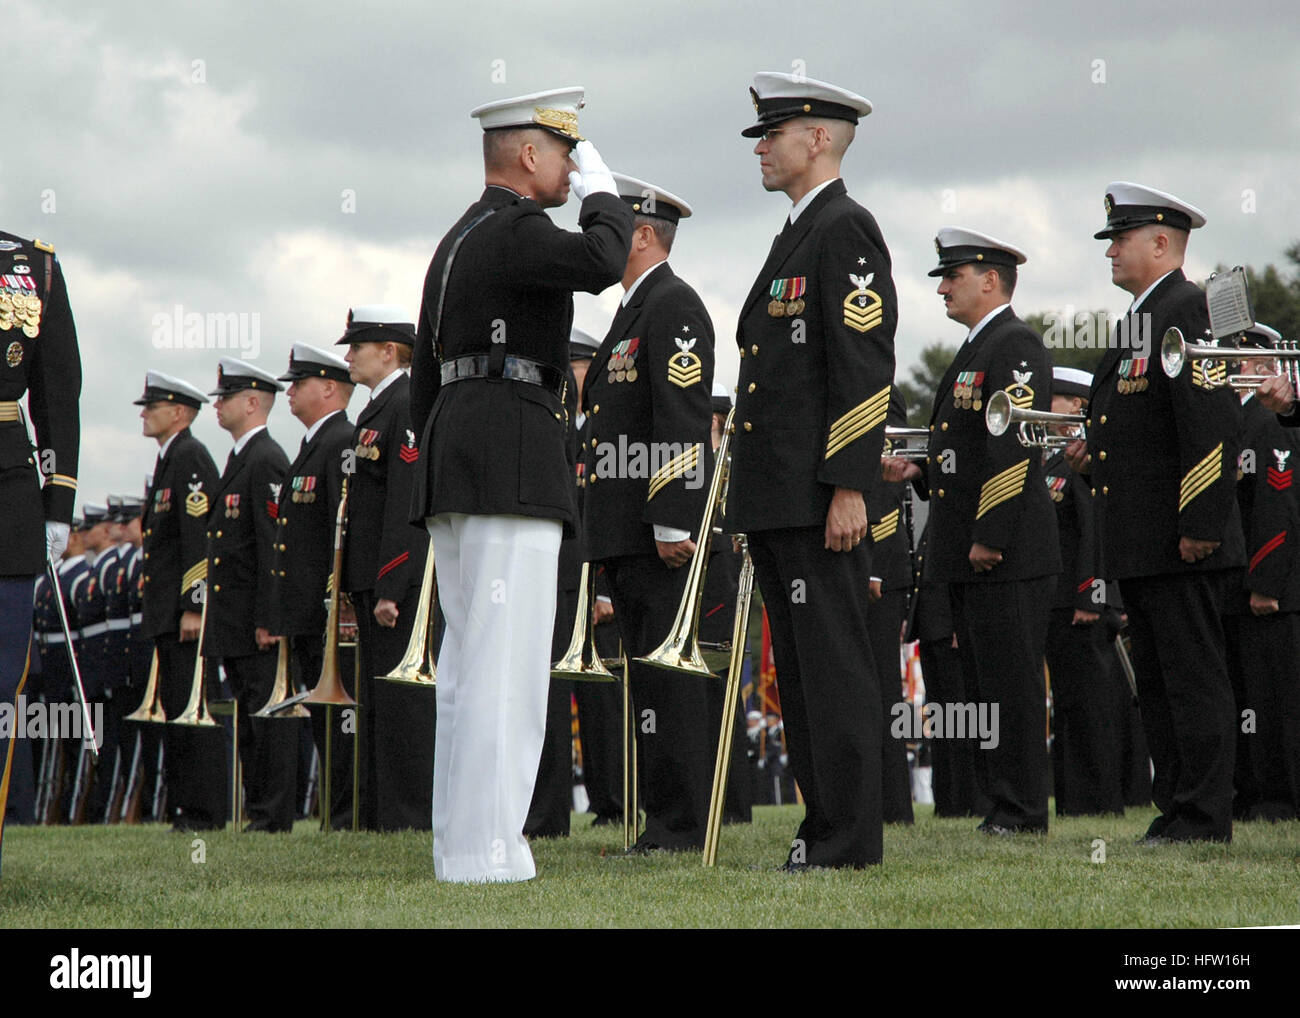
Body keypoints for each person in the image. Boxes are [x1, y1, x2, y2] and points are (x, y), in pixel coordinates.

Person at [409, 86, 632, 882]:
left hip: (461, 455)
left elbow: (423, 379)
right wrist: (608, 193)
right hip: (510, 455)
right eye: (566, 153)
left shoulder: (458, 236)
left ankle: (462, 846)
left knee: (471, 666)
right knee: (503, 667)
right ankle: (488, 853)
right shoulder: (516, 228)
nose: (573, 170)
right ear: (530, 155)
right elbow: (605, 262)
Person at [727, 72, 894, 869]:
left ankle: (849, 840)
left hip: (816, 494)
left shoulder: (845, 228)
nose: (760, 148)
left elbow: (862, 367)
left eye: (773, 133)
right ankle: (820, 825)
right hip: (778, 497)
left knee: (833, 674)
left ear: (819, 138)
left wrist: (850, 485)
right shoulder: (799, 228)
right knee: (798, 677)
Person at [1064, 182, 1243, 843]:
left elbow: (1210, 425)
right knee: (1162, 685)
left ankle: (1203, 814)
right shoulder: (1144, 317)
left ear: (1162, 242)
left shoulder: (1189, 310)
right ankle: (1175, 806)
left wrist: (1199, 523)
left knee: (1192, 678)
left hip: (1179, 537)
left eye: (1121, 238)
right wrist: (1095, 451)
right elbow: (1145, 427)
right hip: (1143, 539)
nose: (1109, 250)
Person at [884, 227, 1059, 835]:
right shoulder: (976, 347)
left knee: (1010, 686)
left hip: (1004, 552)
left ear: (990, 280)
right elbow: (962, 446)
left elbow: (1012, 448)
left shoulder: (1013, 345)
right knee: (986, 686)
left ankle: (1022, 811)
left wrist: (991, 535)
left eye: (952, 276)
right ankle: (1000, 805)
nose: (942, 287)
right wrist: (920, 468)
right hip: (971, 550)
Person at [580, 172, 716, 852]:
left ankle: (679, 826)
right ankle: (660, 822)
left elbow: (682, 418)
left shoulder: (673, 305)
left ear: (642, 234)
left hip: (656, 535)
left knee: (669, 686)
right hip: (626, 532)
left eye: (610, 230)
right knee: (649, 686)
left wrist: (671, 520)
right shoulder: (635, 309)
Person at [336, 305, 436, 832]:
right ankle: (379, 813)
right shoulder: (375, 409)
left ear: (389, 351)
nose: (348, 356)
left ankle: (409, 816)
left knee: (403, 707)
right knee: (376, 702)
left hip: (394, 582)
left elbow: (405, 504)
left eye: (356, 346)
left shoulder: (407, 404)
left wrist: (391, 585)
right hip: (369, 578)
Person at [0, 230, 79, 875]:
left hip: (7, 492)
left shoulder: (32, 266)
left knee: (1, 682)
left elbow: (57, 393)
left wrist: (59, 502)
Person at [206, 358, 296, 832]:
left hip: (256, 622)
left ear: (253, 402)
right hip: (236, 620)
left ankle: (273, 815)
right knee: (249, 718)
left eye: (225, 397)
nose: (217, 406)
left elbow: (273, 546)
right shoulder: (242, 458)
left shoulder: (265, 459)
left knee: (269, 720)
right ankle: (259, 810)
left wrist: (270, 617)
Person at [267, 344, 355, 828]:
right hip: (305, 611)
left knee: (338, 724)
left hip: (326, 611)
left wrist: (335, 601)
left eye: (298, 383)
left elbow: (340, 532)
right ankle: (334, 814)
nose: (290, 392)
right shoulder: (313, 445)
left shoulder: (340, 441)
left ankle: (344, 815)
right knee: (323, 721)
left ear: (328, 388)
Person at [134, 370, 226, 831]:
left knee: (193, 712)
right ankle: (185, 808)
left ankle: (204, 812)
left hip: (183, 614)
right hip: (166, 613)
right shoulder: (169, 459)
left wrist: (194, 604)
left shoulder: (189, 456)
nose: (145, 414)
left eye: (153, 406)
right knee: (176, 711)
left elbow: (199, 538)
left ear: (181, 413)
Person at [1222, 324, 1300, 820]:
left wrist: (1265, 581)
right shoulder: (1236, 417)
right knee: (1247, 698)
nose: (1227, 369)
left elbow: (1278, 500)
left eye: (1236, 361)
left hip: (1273, 586)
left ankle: (1280, 800)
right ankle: (1252, 794)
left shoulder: (1269, 419)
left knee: (1275, 701)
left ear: (1265, 366)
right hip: (1242, 582)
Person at [1041, 367, 1125, 816]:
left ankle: (1100, 800)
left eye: (1053, 397)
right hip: (1057, 602)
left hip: (1082, 602)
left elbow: (1093, 529)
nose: (1044, 402)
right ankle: (1074, 800)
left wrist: (1091, 596)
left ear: (1076, 405)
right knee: (1069, 707)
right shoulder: (1050, 456)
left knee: (1092, 706)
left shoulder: (1084, 456)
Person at [565, 328, 624, 828]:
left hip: (600, 587)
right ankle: (596, 798)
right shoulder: (564, 430)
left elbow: (608, 514)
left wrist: (603, 588)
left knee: (605, 703)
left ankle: (617, 800)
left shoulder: (604, 431)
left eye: (574, 366)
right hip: (565, 582)